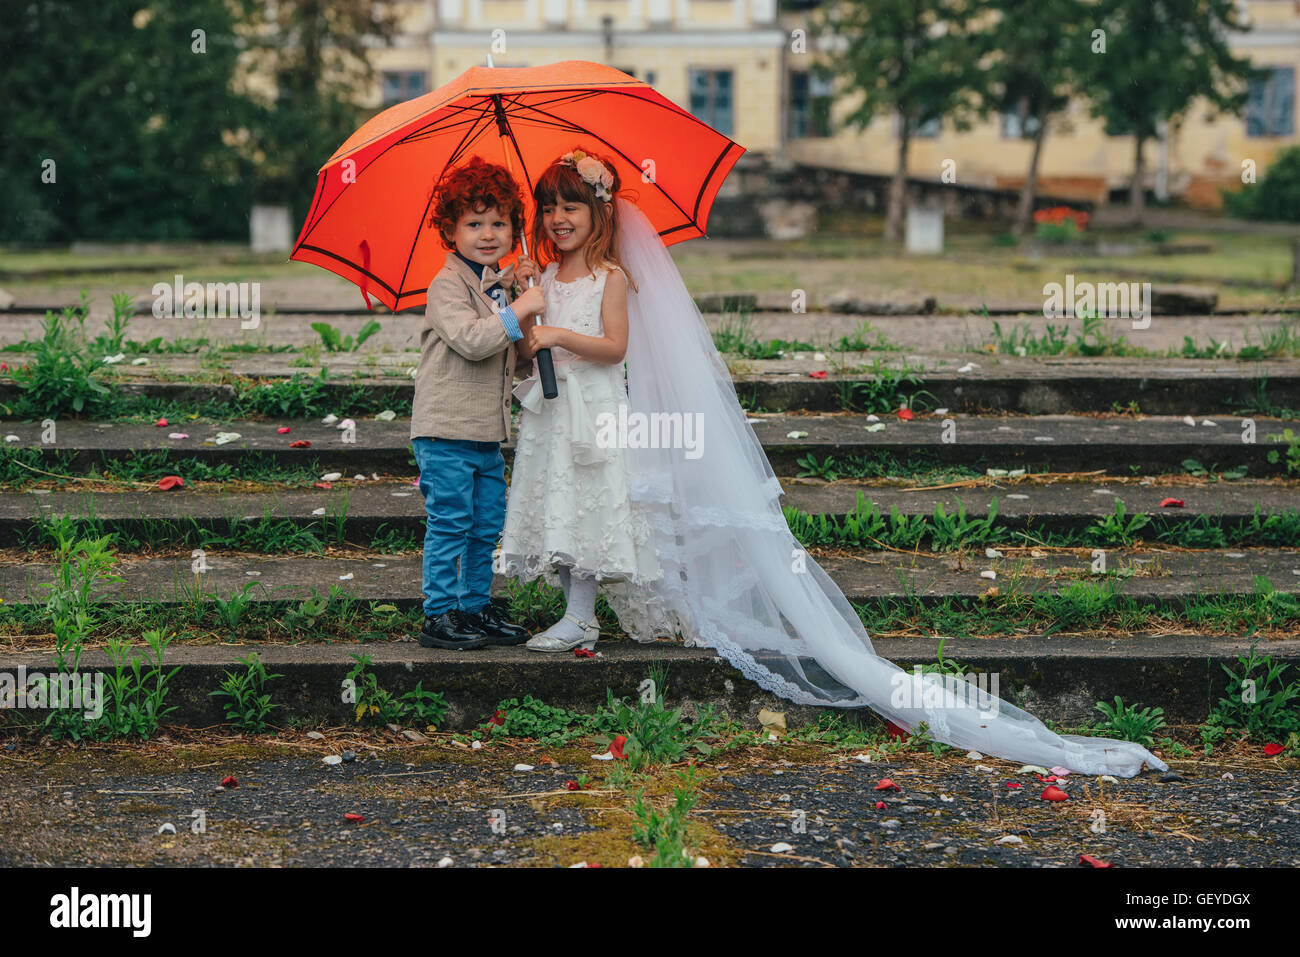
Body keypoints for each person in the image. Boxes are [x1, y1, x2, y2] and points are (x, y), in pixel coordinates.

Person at [503, 147, 1168, 778]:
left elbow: (615, 347)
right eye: (549, 207)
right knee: (561, 505)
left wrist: (555, 330)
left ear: (599, 212)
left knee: (590, 504)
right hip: (553, 413)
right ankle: (575, 608)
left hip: (596, 412)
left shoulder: (612, 277)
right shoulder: (543, 278)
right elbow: (527, 348)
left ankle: (581, 615)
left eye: (572, 206)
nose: (559, 218)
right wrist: (524, 307)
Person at [411, 156, 546, 650]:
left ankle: (473, 606)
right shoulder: (446, 285)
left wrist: (522, 298)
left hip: (487, 433)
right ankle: (439, 613)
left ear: (515, 229)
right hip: (445, 430)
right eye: (474, 224)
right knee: (451, 522)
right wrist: (520, 306)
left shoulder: (496, 286)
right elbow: (472, 340)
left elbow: (515, 354)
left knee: (486, 523)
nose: (488, 234)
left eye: (499, 223)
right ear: (450, 230)